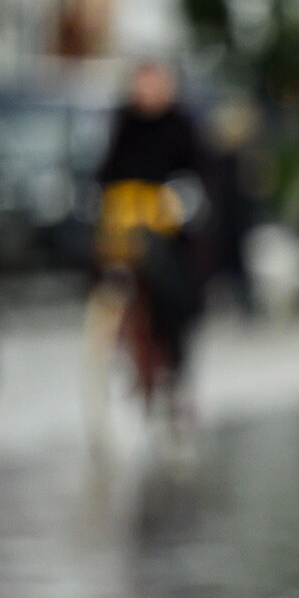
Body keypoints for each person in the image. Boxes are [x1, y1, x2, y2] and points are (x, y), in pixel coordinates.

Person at [94, 61, 212, 426]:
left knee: (175, 291)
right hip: (126, 230)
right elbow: (106, 172)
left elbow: (199, 178)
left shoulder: (182, 126)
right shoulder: (124, 125)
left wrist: (179, 201)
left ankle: (175, 372)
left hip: (169, 232)